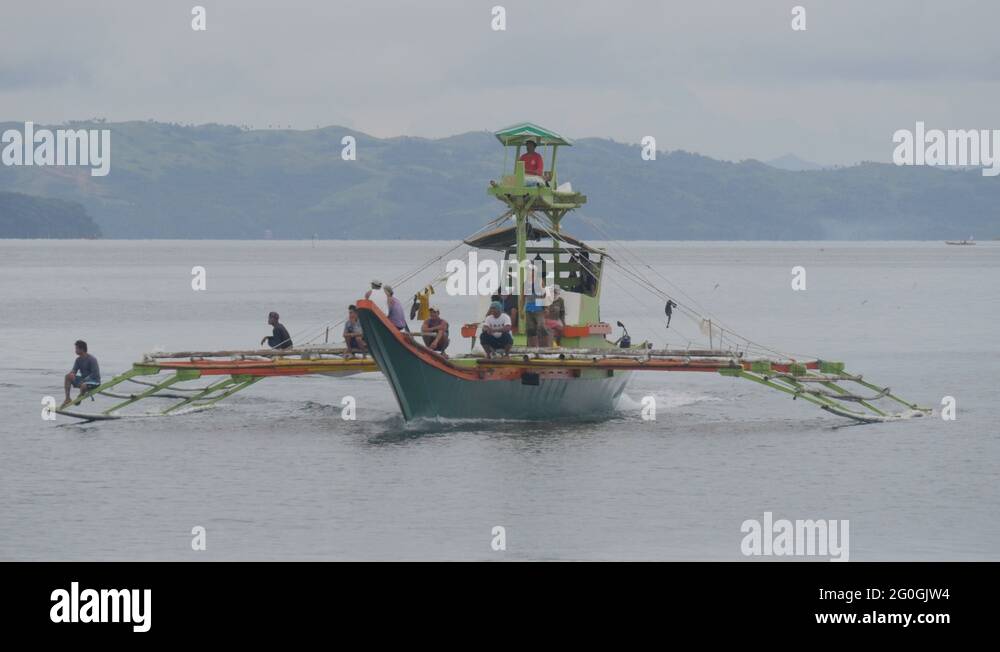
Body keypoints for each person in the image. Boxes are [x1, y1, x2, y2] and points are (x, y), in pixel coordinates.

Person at [62, 340, 101, 408]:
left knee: (83, 385)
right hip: (84, 380)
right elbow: (74, 370)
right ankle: (67, 398)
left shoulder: (92, 359)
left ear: (82, 349)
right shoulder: (78, 360)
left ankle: (80, 396)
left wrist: (85, 380)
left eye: (76, 348)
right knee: (67, 376)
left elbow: (95, 374)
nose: (75, 350)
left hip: (94, 381)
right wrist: (72, 373)